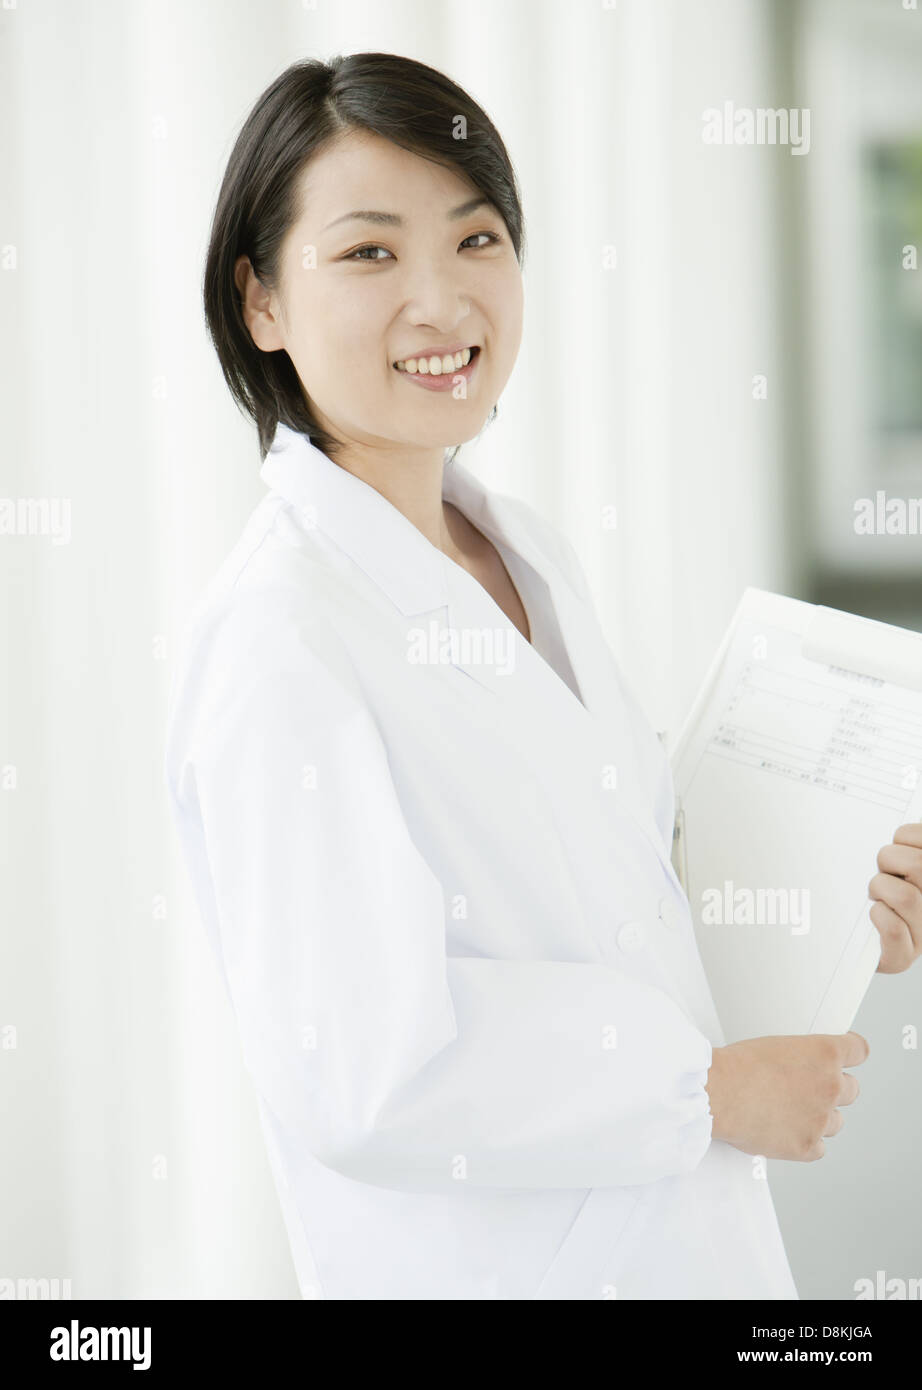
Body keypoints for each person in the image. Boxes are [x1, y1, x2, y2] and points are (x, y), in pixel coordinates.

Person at [165, 53, 919, 1301]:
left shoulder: (519, 553)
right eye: (368, 254)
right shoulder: (277, 641)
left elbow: (620, 894)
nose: (441, 299)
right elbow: (365, 1068)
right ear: (259, 303)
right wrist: (703, 1090)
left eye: (476, 239)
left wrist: (834, 913)